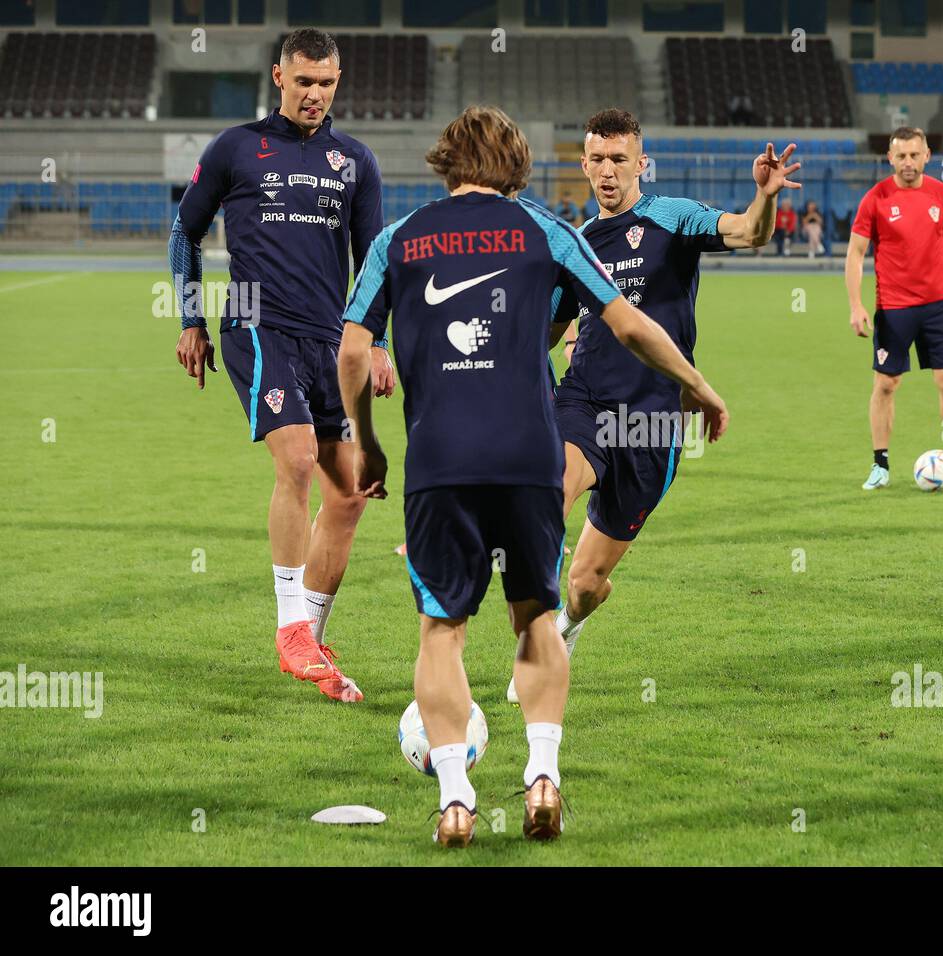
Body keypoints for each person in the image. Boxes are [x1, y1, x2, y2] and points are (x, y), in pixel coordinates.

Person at [337, 106, 729, 847]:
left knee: (441, 630)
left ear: (447, 162)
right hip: (528, 457)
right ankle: (542, 776)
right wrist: (699, 385)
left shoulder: (397, 240)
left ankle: (455, 796)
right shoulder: (547, 231)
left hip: (439, 461)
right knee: (535, 620)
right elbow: (629, 324)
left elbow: (353, 351)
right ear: (516, 165)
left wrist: (368, 444)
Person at [503, 108, 799, 705]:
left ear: (641, 163)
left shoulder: (672, 217)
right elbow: (549, 330)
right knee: (550, 489)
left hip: (653, 420)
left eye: (620, 160)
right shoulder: (577, 244)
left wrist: (764, 196)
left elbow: (749, 232)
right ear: (583, 165)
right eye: (598, 160)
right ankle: (534, 648)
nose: (608, 172)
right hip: (583, 398)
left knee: (587, 582)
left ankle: (566, 624)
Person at [171, 27, 391, 701]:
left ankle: (313, 640)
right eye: (304, 82)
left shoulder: (355, 161)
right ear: (279, 77)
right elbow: (187, 229)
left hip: (329, 340)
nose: (316, 95)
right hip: (255, 323)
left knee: (350, 492)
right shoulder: (236, 147)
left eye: (327, 83)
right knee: (297, 461)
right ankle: (289, 626)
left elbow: (374, 259)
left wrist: (373, 340)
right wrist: (189, 319)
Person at [844, 126, 943, 491]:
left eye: (914, 154)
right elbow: (855, 255)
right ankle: (880, 465)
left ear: (926, 156)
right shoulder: (875, 198)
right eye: (901, 155)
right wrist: (856, 304)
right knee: (887, 384)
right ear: (890, 158)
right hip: (893, 309)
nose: (908, 162)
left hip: (938, 305)